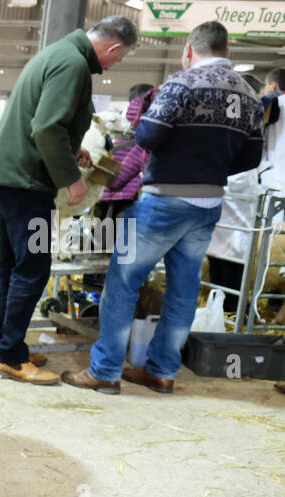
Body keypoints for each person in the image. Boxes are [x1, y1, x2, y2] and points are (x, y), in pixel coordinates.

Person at [63, 22, 263, 395]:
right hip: (208, 205)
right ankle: (161, 372)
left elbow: (148, 135)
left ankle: (104, 371)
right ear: (227, 50)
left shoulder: (181, 84)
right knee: (184, 290)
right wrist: (211, 169)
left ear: (190, 50)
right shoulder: (247, 93)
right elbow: (251, 156)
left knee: (122, 283)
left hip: (164, 200)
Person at [0, 14, 137, 386]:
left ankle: (4, 345)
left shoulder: (57, 54)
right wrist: (70, 179)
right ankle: (11, 355)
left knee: (11, 263)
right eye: (117, 59)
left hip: (11, 177)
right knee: (34, 267)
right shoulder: (73, 64)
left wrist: (72, 153)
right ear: (114, 47)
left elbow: (38, 123)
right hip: (30, 183)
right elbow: (46, 126)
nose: (113, 65)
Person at [97, 83, 158, 222]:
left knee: (99, 237)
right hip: (128, 196)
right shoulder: (147, 130)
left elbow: (101, 168)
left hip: (103, 193)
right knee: (124, 238)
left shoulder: (114, 127)